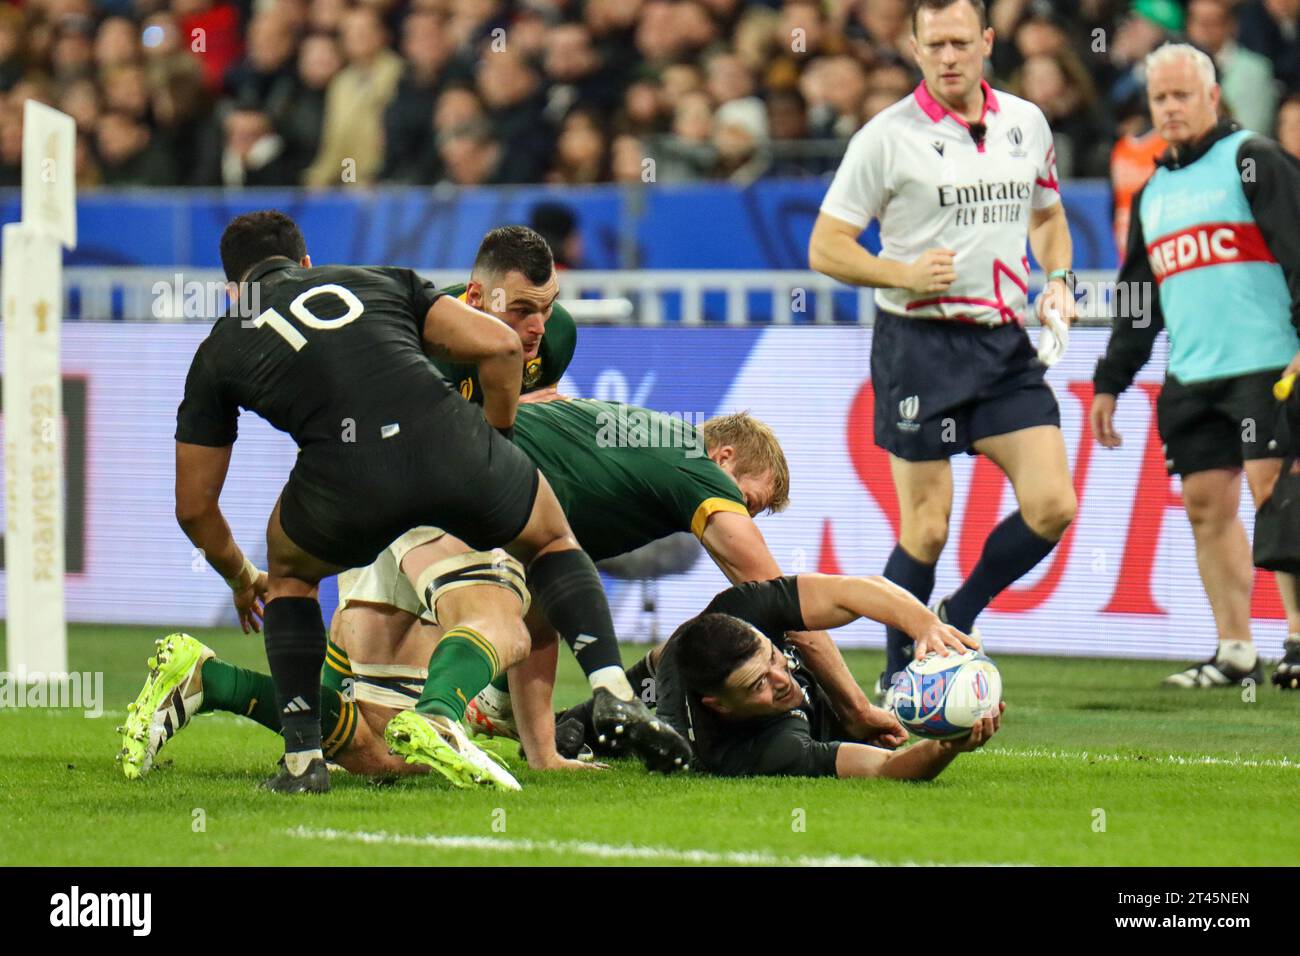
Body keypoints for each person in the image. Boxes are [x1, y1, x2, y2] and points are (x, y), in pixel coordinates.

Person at [126, 402, 973, 777]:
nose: (746, 515)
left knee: (370, 738)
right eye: (753, 497)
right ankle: (450, 717)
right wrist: (855, 705)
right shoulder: (689, 475)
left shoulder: (615, 443)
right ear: (725, 461)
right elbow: (778, 596)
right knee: (477, 643)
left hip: (406, 493)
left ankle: (209, 681)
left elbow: (546, 619)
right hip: (451, 505)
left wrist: (542, 752)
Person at [154, 210, 685, 794]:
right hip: (449, 448)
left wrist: (240, 574)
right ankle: (610, 688)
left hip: (344, 478)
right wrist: (496, 447)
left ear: (233, 290)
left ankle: (303, 763)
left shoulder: (219, 348)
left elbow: (193, 507)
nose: (538, 324)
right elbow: (503, 348)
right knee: (552, 541)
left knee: (290, 579)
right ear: (307, 263)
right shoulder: (379, 278)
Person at [808, 0, 1077, 696]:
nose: (950, 56)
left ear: (987, 41)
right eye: (936, 45)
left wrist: (1060, 279)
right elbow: (825, 246)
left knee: (1054, 505)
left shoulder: (1026, 123)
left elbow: (1048, 215)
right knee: (926, 530)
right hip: (918, 346)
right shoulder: (884, 138)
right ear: (915, 47)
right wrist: (898, 271)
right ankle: (900, 678)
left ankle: (958, 613)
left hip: (1002, 342)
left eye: (962, 41)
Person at [1090, 43, 1300, 689]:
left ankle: (1296, 637)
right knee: (1207, 506)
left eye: (1183, 94)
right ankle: (1236, 649)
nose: (1172, 107)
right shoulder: (1153, 189)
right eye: (1161, 98)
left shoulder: (1253, 161)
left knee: (1278, 497)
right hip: (1193, 372)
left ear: (1213, 95)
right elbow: (1138, 299)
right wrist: (1110, 382)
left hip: (1267, 365)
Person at [566, 575, 999, 778]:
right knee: (652, 742)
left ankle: (579, 719)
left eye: (773, 658)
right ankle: (574, 726)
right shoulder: (758, 751)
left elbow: (854, 591)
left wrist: (925, 625)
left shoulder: (744, 608)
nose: (783, 678)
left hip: (682, 654)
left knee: (681, 647)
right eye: (759, 684)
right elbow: (885, 769)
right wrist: (947, 747)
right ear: (721, 704)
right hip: (684, 710)